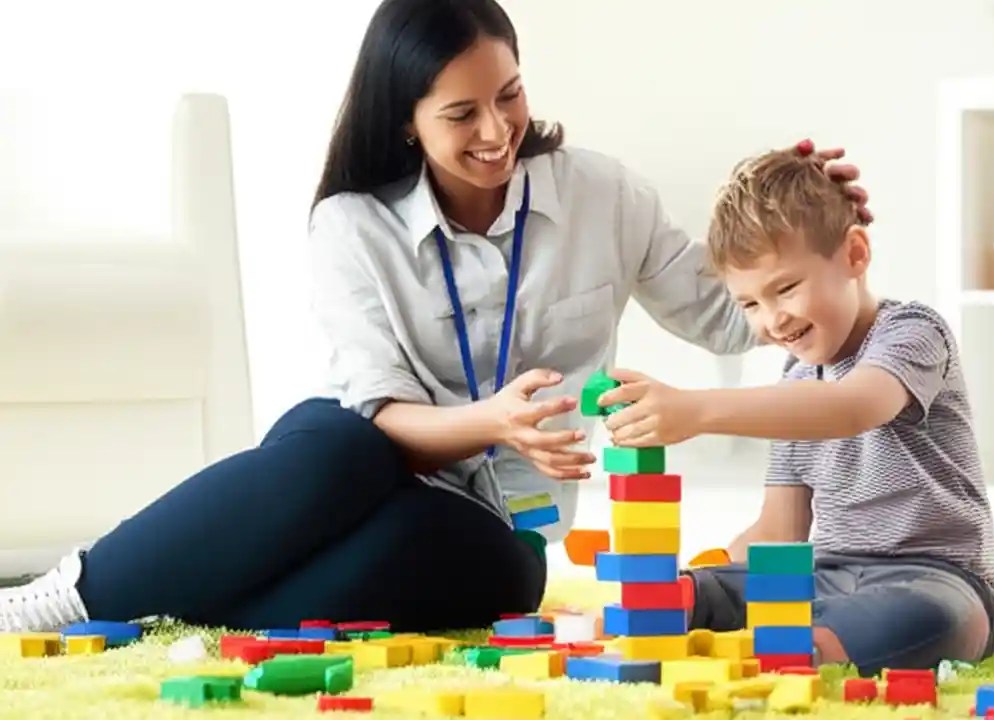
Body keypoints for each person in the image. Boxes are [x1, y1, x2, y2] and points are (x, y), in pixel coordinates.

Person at [0, 0, 870, 634]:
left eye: (510, 95)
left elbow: (733, 318)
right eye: (461, 113)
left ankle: (156, 606)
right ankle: (71, 594)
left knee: (458, 559)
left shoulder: (605, 193)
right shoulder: (350, 225)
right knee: (336, 443)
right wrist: (495, 422)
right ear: (409, 123)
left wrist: (815, 244)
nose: (498, 130)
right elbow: (378, 409)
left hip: (495, 527)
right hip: (372, 461)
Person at [595, 147, 994, 674]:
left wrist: (696, 410)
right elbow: (777, 533)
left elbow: (854, 406)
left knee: (939, 617)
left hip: (936, 576)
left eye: (785, 288)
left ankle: (807, 647)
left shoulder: (912, 333)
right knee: (713, 584)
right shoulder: (794, 383)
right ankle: (672, 616)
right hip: (822, 576)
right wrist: (705, 581)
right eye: (749, 304)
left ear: (855, 254)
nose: (772, 320)